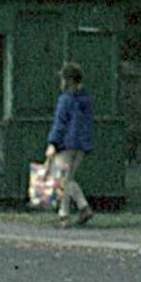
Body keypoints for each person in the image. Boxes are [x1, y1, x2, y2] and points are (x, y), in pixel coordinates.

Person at [44, 62, 94, 226]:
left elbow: (60, 124)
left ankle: (64, 215)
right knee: (68, 179)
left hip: (65, 144)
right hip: (81, 145)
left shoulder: (64, 100)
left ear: (67, 80)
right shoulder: (85, 100)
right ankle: (83, 208)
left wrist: (52, 143)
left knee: (62, 180)